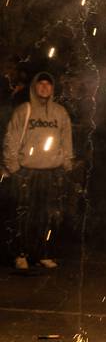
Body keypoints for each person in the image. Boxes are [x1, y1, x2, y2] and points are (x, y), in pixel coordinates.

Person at [2, 71, 73, 271]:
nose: (44, 88)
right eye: (40, 84)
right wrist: (14, 167)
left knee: (48, 215)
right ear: (34, 87)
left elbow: (66, 140)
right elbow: (11, 139)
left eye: (48, 85)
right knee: (23, 215)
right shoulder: (24, 111)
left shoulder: (60, 113)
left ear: (53, 88)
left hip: (51, 172)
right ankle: (21, 253)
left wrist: (66, 164)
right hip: (27, 172)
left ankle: (42, 252)